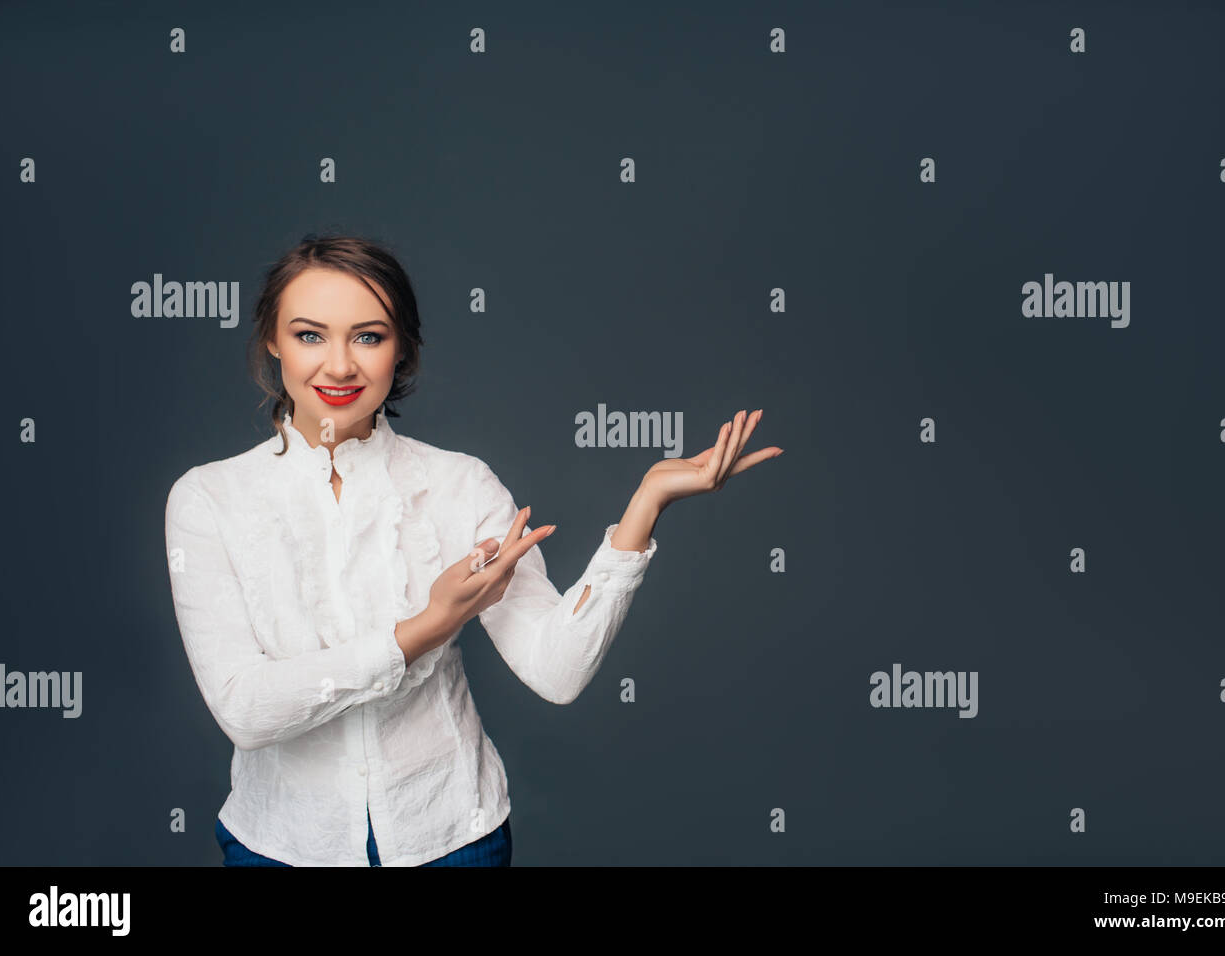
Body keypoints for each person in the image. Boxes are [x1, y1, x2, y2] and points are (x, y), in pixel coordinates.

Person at [164, 235, 782, 866]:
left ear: (401, 346)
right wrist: (426, 628)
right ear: (272, 339)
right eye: (310, 335)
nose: (340, 365)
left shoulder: (459, 485)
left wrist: (646, 504)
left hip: (452, 839)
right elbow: (243, 709)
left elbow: (556, 670)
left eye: (369, 336)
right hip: (281, 847)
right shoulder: (209, 500)